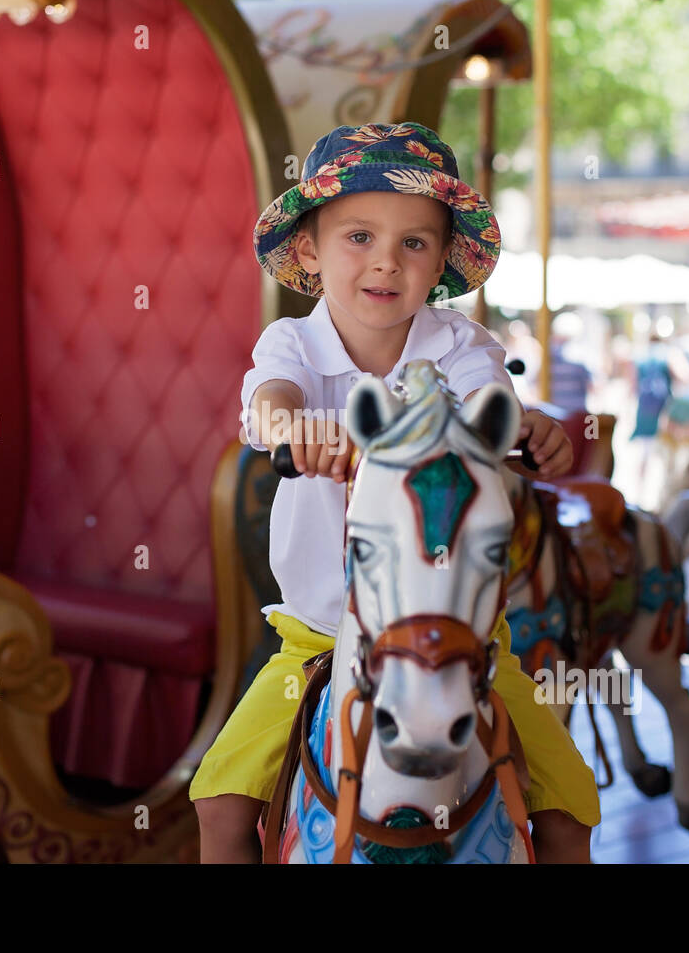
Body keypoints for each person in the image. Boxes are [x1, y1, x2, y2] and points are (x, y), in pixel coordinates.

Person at [190, 122, 600, 863]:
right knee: (220, 803)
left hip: (458, 641)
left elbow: (485, 407)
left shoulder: (462, 347)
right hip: (319, 639)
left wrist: (532, 428)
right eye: (358, 237)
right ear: (310, 248)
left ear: (442, 259)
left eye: (415, 242)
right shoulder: (293, 346)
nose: (386, 262)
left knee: (568, 802)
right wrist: (296, 427)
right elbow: (267, 404)